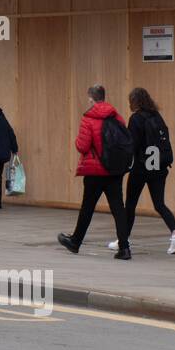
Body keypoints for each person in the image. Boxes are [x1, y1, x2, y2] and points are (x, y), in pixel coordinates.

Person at [57, 84, 132, 259]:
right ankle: (124, 248)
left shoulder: (89, 118)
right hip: (114, 170)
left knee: (87, 207)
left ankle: (75, 242)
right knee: (118, 208)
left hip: (95, 171)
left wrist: (77, 141)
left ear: (91, 98)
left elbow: (82, 146)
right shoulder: (117, 117)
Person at [109, 88, 175, 255]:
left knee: (130, 205)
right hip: (158, 165)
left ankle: (124, 239)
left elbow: (132, 145)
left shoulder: (136, 119)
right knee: (159, 204)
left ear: (134, 102)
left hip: (141, 167)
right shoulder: (156, 116)